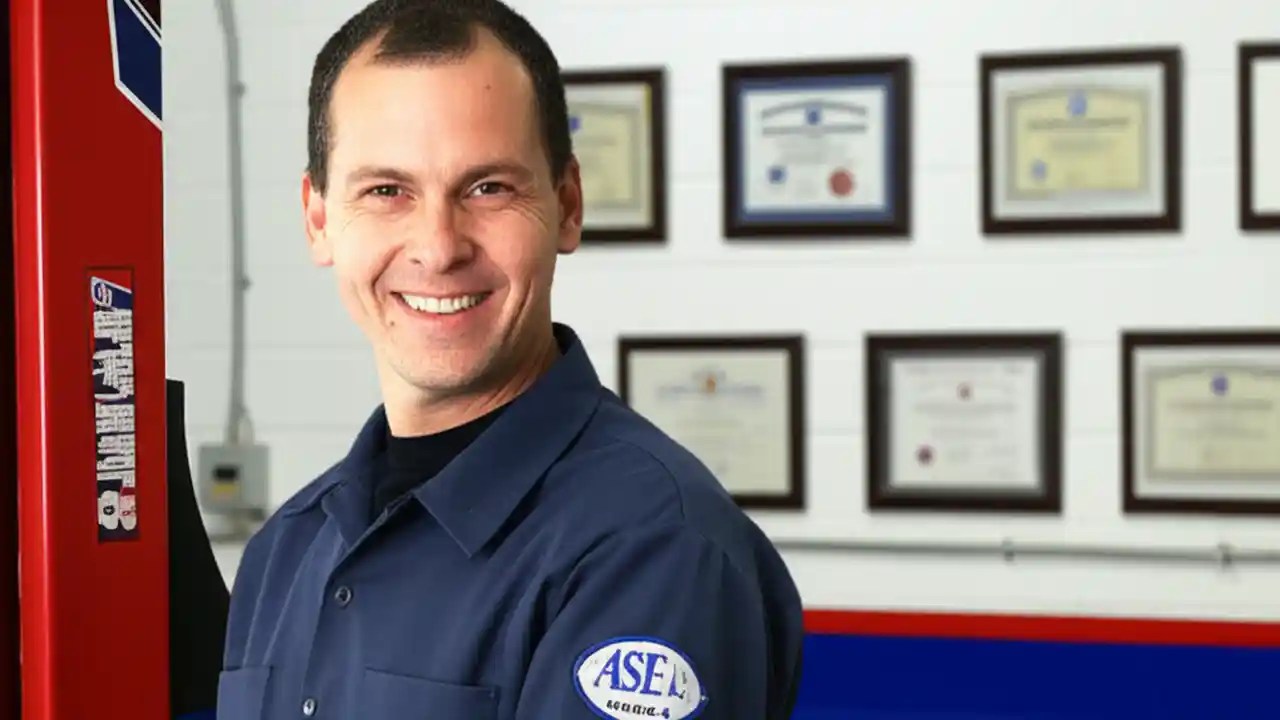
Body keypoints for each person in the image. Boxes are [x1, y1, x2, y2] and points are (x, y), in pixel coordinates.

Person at [216, 1, 805, 718]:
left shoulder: (650, 549)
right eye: (386, 191)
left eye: (487, 188)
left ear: (568, 204)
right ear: (318, 219)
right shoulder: (285, 549)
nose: (438, 246)